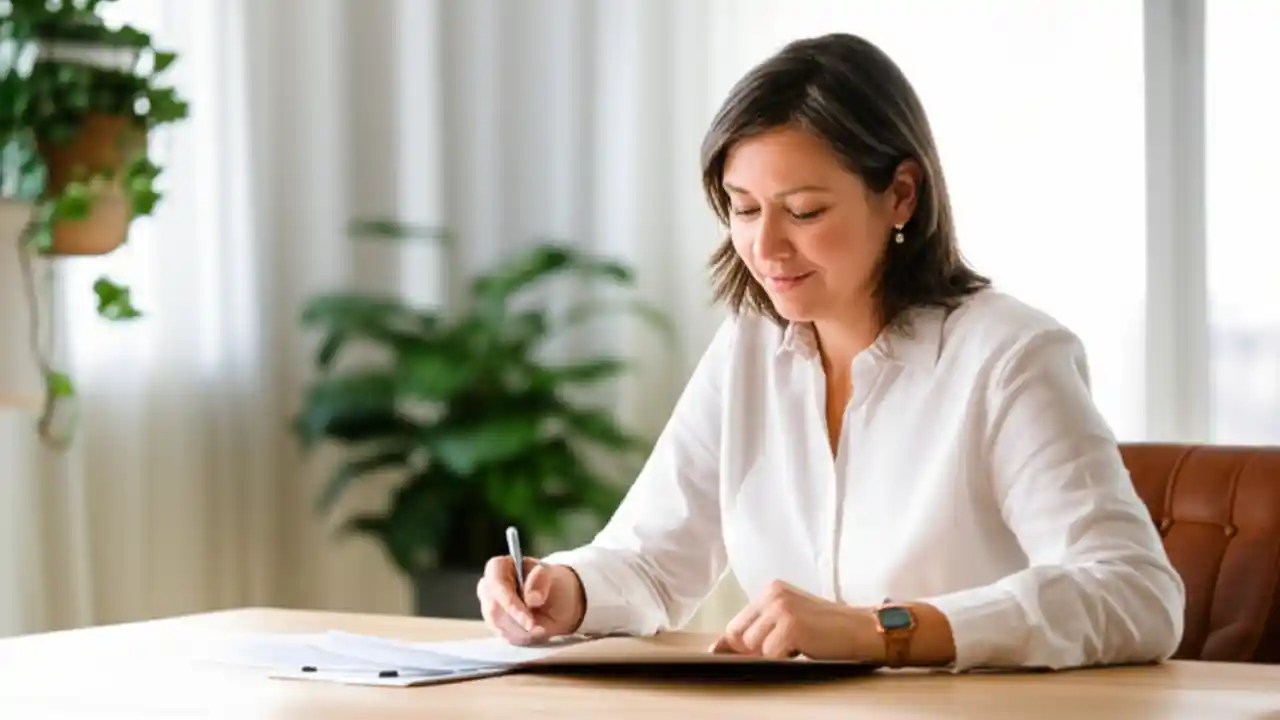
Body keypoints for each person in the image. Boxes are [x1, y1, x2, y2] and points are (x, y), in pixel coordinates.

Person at [475, 32, 1185, 671]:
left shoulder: (1010, 356)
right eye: (744, 208)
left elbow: (1134, 592)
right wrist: (560, 590)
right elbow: (653, 562)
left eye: (805, 211)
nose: (765, 247)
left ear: (901, 194)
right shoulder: (749, 350)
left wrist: (887, 630)